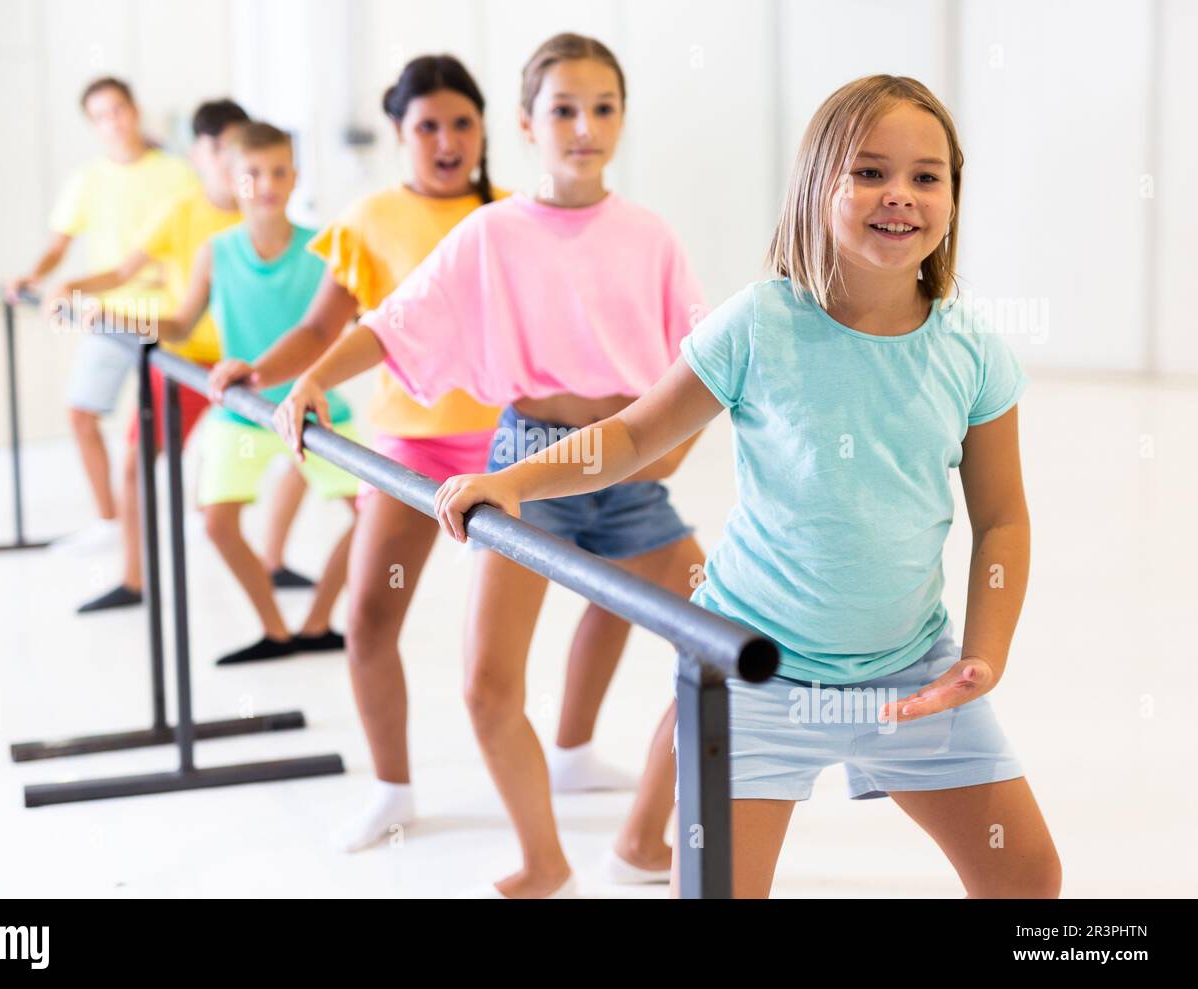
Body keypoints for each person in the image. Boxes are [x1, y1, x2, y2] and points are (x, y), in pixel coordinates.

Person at [434, 75, 1062, 899]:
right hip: (753, 673)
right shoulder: (759, 322)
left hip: (909, 671)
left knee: (1028, 877)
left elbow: (1003, 518)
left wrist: (986, 650)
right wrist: (514, 479)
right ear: (817, 185)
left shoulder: (973, 349)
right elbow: (630, 435)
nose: (899, 195)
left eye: (926, 175)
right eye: (868, 171)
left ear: (952, 192)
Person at [274, 34, 706, 897]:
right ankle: (545, 859)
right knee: (485, 685)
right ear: (526, 123)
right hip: (526, 471)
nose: (585, 127)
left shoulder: (651, 235)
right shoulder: (493, 232)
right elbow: (394, 322)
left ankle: (641, 839)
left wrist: (658, 453)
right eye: (563, 110)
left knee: (724, 647)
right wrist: (314, 380)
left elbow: (700, 363)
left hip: (630, 473)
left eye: (604, 108)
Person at [52, 100, 316, 613]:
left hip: (259, 370)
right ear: (205, 155)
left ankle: (274, 562)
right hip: (190, 363)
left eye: (271, 168)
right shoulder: (189, 215)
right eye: (227, 153)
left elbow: (317, 318)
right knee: (141, 463)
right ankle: (134, 579)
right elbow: (134, 280)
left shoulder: (288, 230)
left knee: (295, 461)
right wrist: (80, 292)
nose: (253, 174)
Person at [156, 122, 360, 664]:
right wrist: (124, 318)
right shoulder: (216, 251)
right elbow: (179, 322)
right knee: (217, 523)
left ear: (295, 178)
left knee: (372, 519)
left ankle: (318, 621)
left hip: (318, 411)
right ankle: (275, 629)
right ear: (231, 177)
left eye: (278, 171)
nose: (266, 183)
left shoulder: (323, 250)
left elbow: (342, 324)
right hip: (243, 412)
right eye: (253, 172)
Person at [6, 77, 196, 555]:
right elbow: (59, 244)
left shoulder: (178, 173)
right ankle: (110, 520)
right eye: (100, 116)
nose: (113, 122)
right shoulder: (87, 180)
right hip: (108, 317)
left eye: (119, 110)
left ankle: (181, 514)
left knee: (159, 427)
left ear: (136, 110)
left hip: (170, 321)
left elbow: (199, 242)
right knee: (81, 413)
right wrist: (33, 276)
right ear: (92, 126)